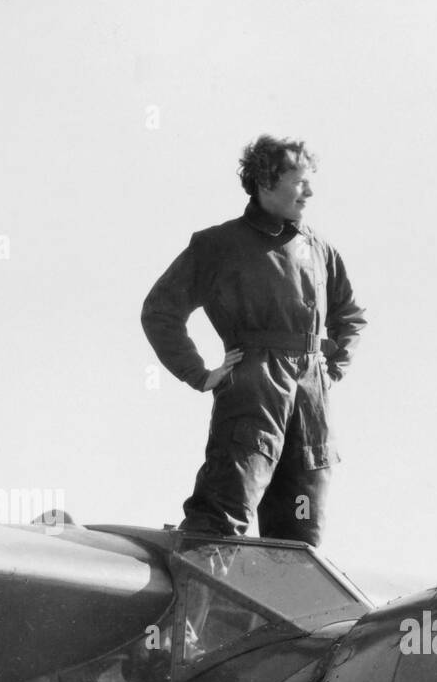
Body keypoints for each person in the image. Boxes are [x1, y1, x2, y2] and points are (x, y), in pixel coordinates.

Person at [141, 135, 366, 545]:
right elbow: (160, 312)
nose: (310, 192)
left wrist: (331, 370)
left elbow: (349, 315)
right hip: (253, 391)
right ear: (266, 182)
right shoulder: (217, 246)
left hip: (311, 404)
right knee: (222, 521)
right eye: (299, 182)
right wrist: (199, 373)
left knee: (300, 539)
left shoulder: (320, 250)